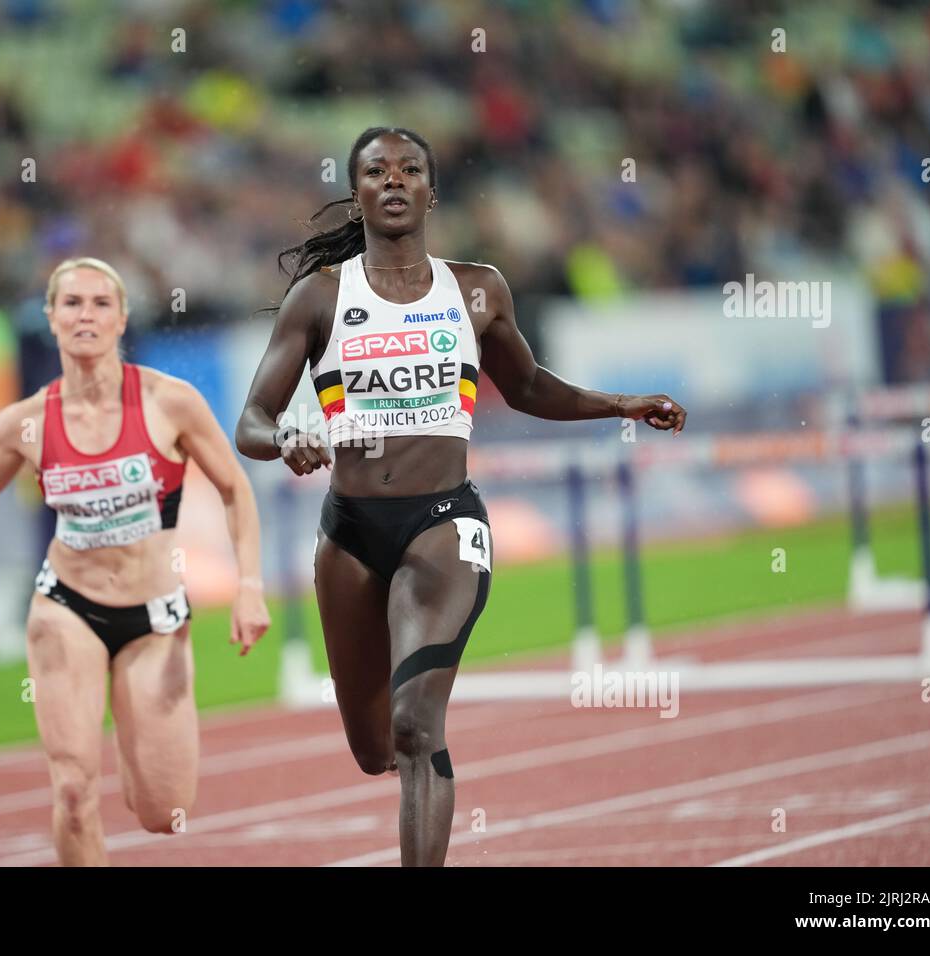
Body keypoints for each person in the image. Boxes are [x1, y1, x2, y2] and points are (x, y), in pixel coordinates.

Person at [235, 127, 686, 866]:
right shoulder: (321, 297)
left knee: (416, 727)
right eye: (376, 171)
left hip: (443, 523)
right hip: (348, 532)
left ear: (431, 192)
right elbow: (250, 420)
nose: (393, 180)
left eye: (409, 169)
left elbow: (531, 386)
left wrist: (622, 404)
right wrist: (287, 436)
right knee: (373, 746)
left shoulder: (477, 288)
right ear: (357, 193)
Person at [0, 257, 270, 865]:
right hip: (65, 611)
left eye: (101, 303)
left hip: (154, 619)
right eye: (71, 303)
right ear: (50, 319)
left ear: (122, 317)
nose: (86, 315)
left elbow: (236, 488)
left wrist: (250, 585)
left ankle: (140, 750)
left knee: (163, 809)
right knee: (74, 790)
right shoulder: (25, 423)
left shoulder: (169, 403)